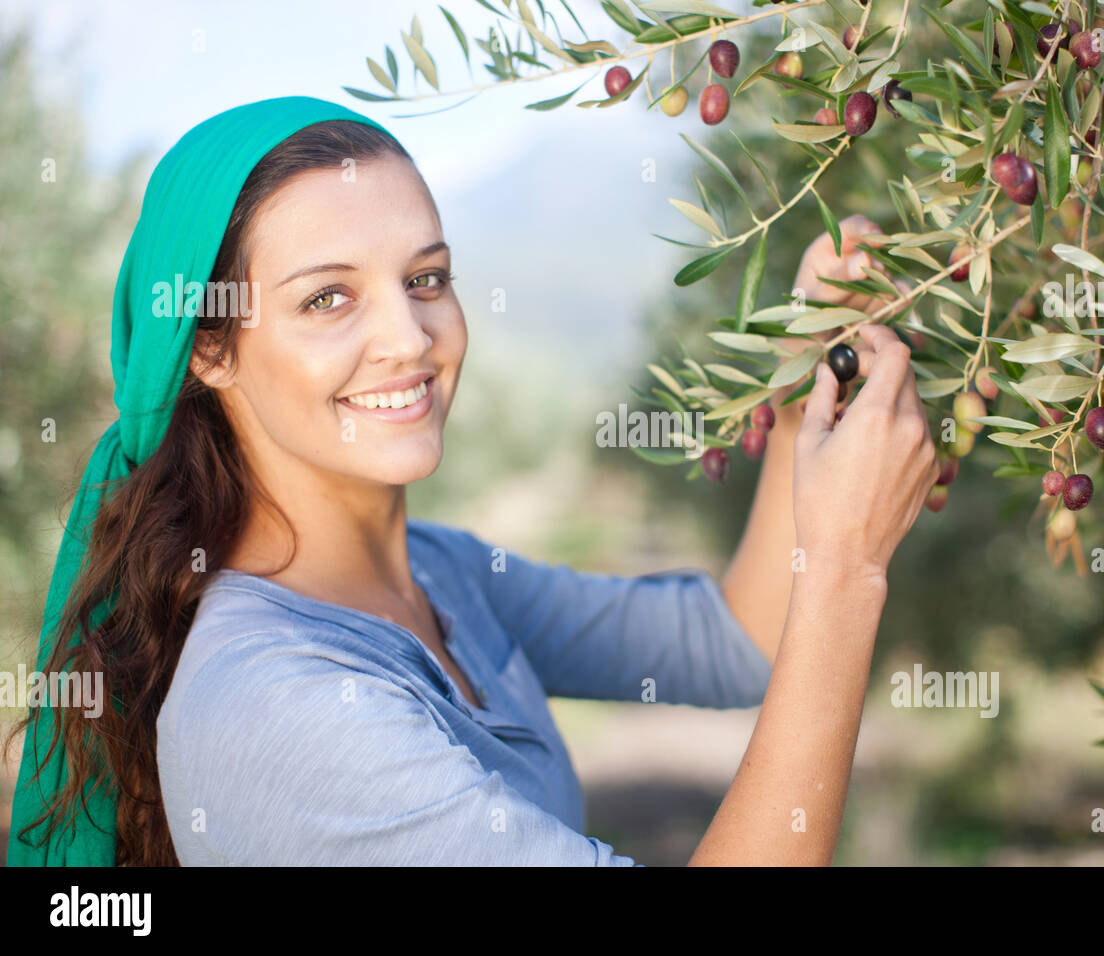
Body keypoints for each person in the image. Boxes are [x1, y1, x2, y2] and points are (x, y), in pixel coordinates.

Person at [5, 97, 937, 866]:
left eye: (426, 278)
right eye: (328, 297)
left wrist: (809, 353)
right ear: (211, 348)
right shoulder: (275, 701)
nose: (409, 340)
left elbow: (735, 640)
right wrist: (848, 569)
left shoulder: (441, 577)